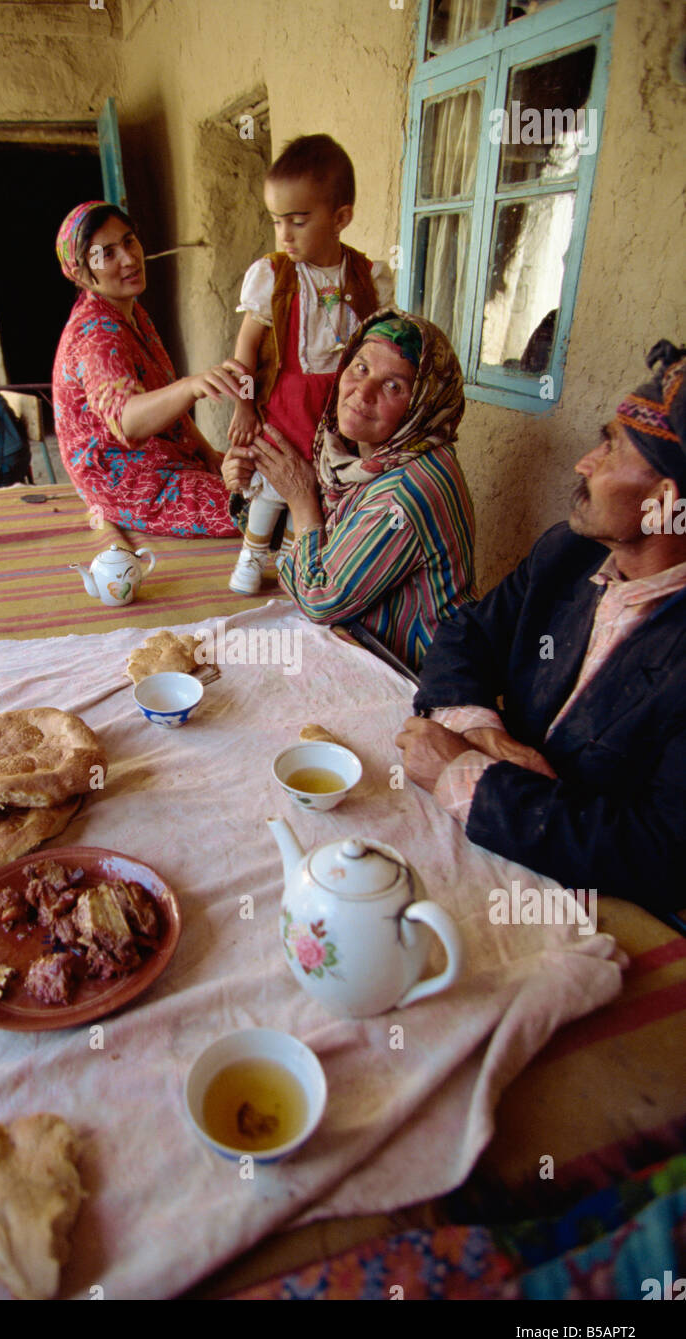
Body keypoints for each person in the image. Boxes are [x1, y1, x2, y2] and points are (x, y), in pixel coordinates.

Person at [395, 340, 686, 918]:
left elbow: (662, 852)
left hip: (611, 914)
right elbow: (467, 636)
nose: (585, 462)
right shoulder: (570, 555)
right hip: (506, 861)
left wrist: (464, 775)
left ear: (665, 501)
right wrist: (481, 730)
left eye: (611, 449)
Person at [223, 308, 476, 672]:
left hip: (416, 677)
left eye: (393, 386)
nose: (363, 392)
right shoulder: (357, 456)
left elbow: (320, 598)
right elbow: (310, 540)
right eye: (360, 368)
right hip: (364, 644)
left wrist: (299, 497)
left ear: (421, 404)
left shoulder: (405, 490)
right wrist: (252, 483)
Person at [227, 134, 392, 593]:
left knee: (315, 488)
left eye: (298, 221)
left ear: (340, 218)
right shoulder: (274, 277)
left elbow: (377, 349)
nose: (285, 234)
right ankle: (250, 556)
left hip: (336, 410)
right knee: (274, 481)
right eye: (278, 221)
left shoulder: (367, 277)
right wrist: (243, 407)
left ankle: (292, 563)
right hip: (284, 403)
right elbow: (243, 354)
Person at [52, 201, 243, 537]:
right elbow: (128, 422)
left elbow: (169, 412)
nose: (128, 259)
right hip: (126, 483)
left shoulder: (133, 316)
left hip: (162, 462)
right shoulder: (96, 334)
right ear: (81, 272)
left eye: (129, 241)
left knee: (257, 478)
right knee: (257, 511)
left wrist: (208, 454)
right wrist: (190, 387)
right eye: (107, 254)